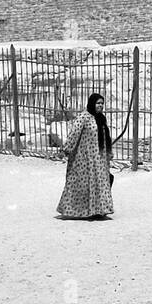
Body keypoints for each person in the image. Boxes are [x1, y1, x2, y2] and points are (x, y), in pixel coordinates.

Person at [56, 92, 114, 220]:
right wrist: (66, 149)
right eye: (98, 103)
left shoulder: (101, 118)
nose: (100, 106)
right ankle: (77, 211)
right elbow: (74, 134)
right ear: (92, 103)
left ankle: (99, 210)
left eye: (102, 103)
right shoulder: (83, 117)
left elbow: (105, 137)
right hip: (84, 157)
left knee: (100, 183)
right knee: (82, 184)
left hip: (99, 158)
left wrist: (109, 153)